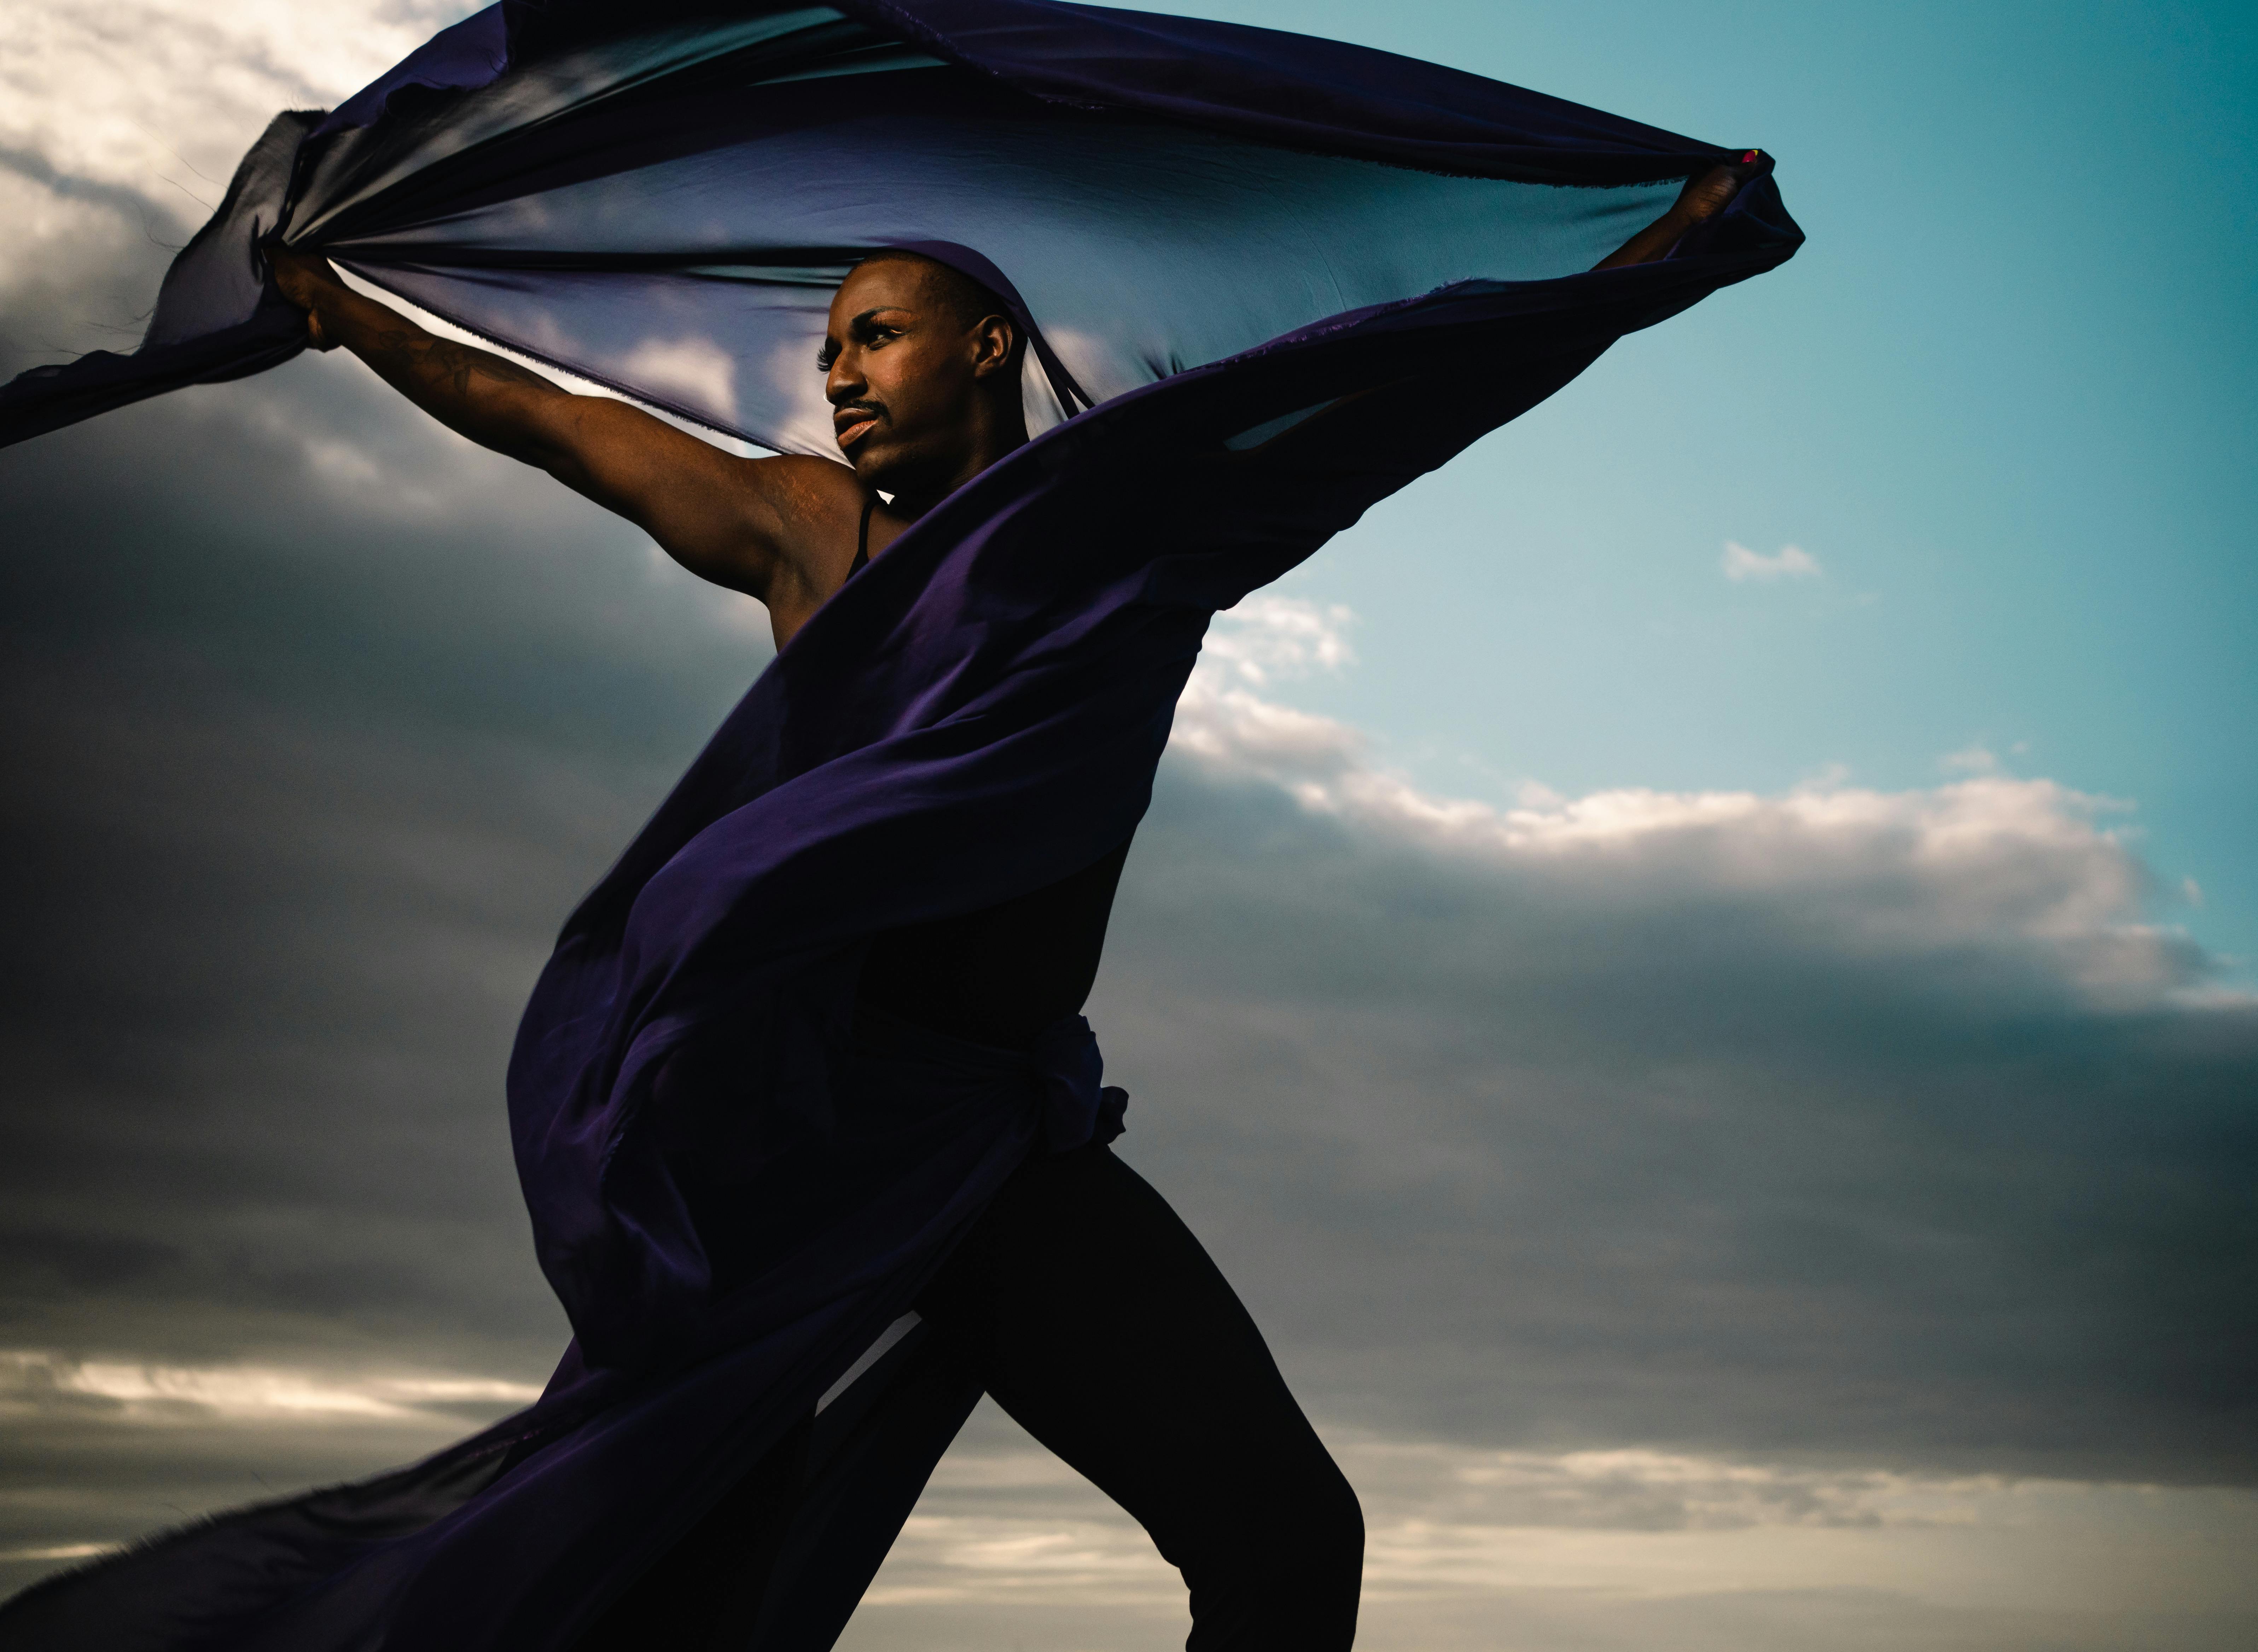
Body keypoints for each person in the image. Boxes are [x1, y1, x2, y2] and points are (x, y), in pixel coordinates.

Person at [253, 159, 1742, 1651]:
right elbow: (554, 421)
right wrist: (347, 315)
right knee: (684, 1600)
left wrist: (1657, 256)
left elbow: (1406, 399)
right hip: (794, 1155)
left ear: (984, 344)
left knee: (1285, 1533)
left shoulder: (1140, 524)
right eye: (827, 349)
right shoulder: (813, 534)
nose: (838, 375)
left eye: (874, 336)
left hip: (991, 1144)